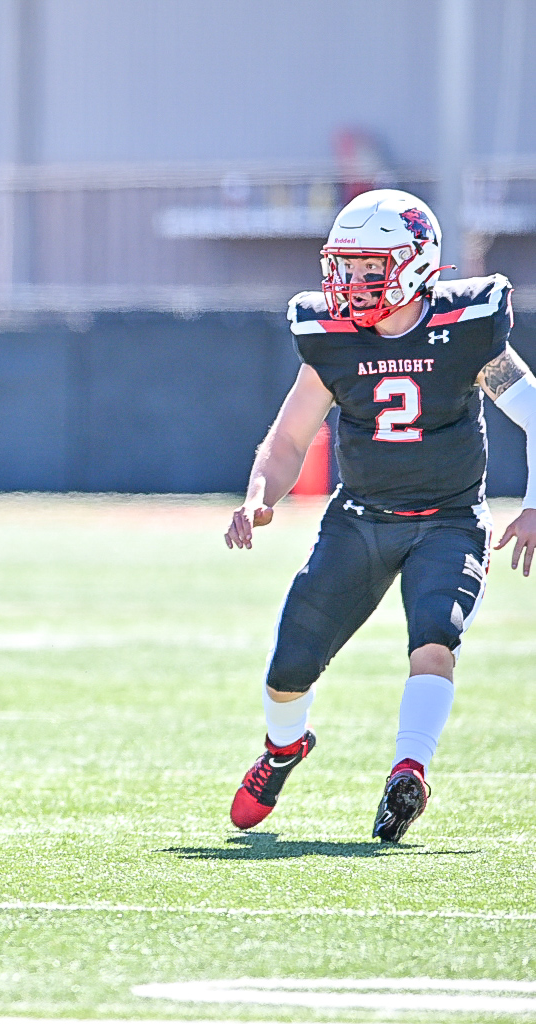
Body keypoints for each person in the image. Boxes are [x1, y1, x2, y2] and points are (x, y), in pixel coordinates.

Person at [224, 188, 536, 842]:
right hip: (360, 520)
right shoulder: (334, 338)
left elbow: (535, 412)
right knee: (289, 667)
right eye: (346, 265)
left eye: (370, 267)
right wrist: (260, 496)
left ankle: (409, 770)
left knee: (435, 638)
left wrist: (534, 504)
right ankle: (284, 749)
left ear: (418, 262)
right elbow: (288, 439)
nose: (352, 282)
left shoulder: (466, 331)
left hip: (449, 521)